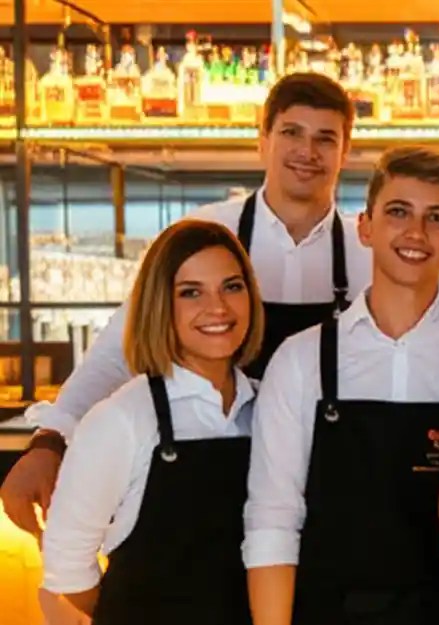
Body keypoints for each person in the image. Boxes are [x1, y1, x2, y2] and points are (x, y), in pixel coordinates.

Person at [2, 71, 371, 549]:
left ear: (346, 150)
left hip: (326, 482)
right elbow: (119, 350)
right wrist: (49, 441)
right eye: (291, 133)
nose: (308, 151)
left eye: (326, 138)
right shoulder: (202, 232)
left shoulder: (367, 252)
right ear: (262, 140)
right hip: (212, 467)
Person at [243, 146, 439, 625]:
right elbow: (272, 524)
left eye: (436, 217)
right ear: (366, 226)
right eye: (399, 211)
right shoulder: (304, 360)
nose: (416, 232)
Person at [40, 219, 266, 625]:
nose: (218, 308)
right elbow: (66, 563)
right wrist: (142, 624)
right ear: (159, 306)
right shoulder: (122, 418)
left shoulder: (266, 409)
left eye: (232, 287)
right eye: (191, 292)